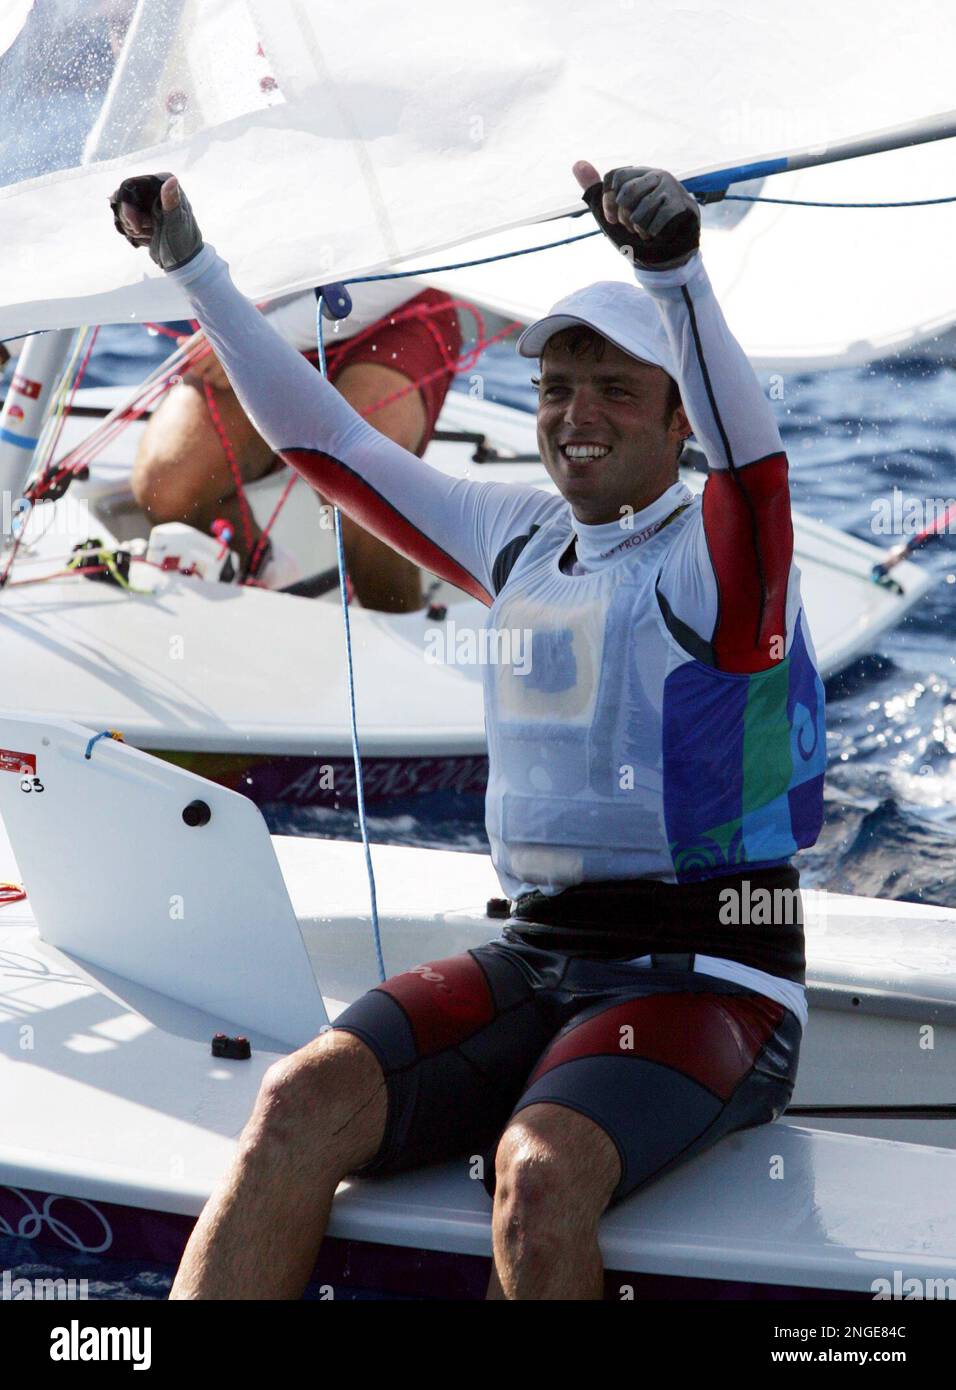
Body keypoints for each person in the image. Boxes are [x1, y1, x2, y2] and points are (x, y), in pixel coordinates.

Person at [109, 158, 826, 1301]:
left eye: (613, 389)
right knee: (297, 1105)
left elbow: (758, 472)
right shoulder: (520, 535)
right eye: (553, 387)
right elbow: (325, 447)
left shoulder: (722, 563)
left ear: (677, 415)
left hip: (710, 974)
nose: (574, 415)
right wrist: (194, 269)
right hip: (540, 954)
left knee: (536, 1179)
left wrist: (676, 276)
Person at [133, 265, 461, 606]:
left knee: (362, 482)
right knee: (167, 484)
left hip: (396, 311)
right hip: (262, 311)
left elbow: (407, 270)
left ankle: (400, 626)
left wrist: (253, 338)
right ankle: (261, 574)